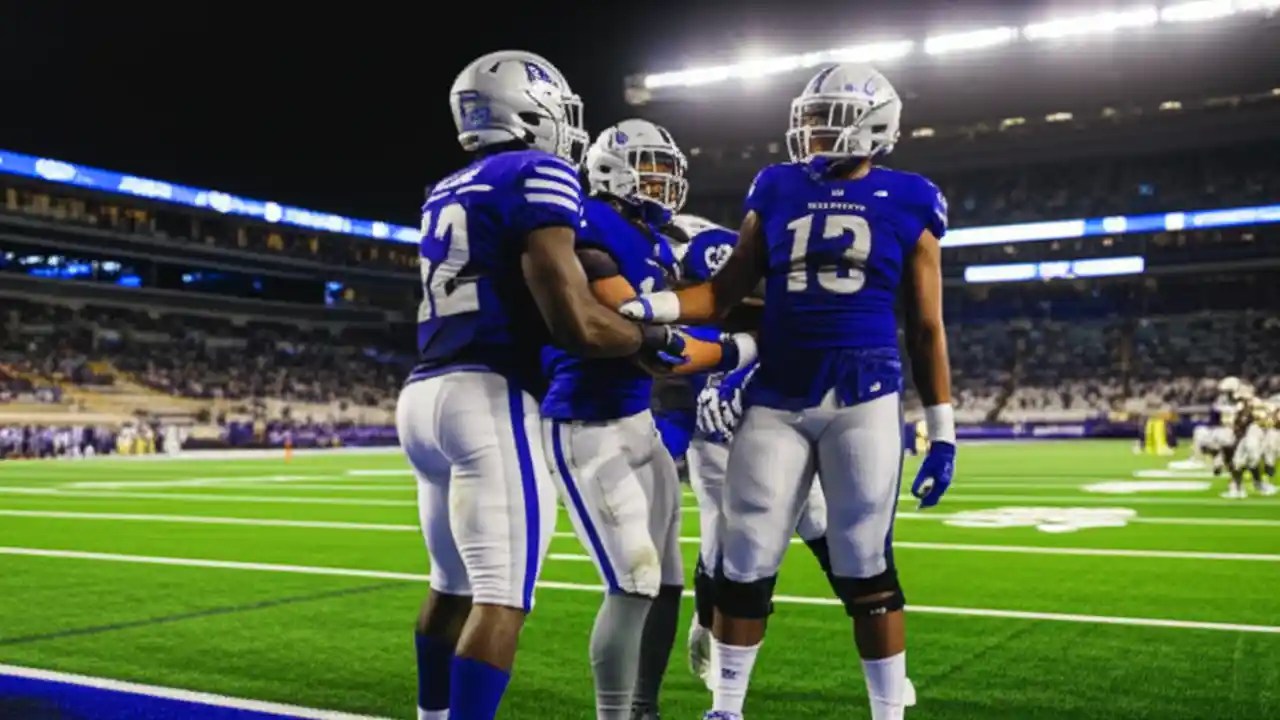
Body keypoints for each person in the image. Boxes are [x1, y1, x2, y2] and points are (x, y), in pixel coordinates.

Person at [619, 62, 957, 720]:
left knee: (863, 560)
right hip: (775, 393)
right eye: (807, 119)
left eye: (824, 121)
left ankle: (888, 711)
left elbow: (927, 326)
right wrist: (654, 305)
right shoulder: (774, 186)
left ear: (871, 127)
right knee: (745, 555)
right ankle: (726, 708)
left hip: (864, 391)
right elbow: (721, 295)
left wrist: (942, 432)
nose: (809, 133)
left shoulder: (913, 196)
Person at [395, 52, 686, 720]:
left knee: (451, 587)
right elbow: (577, 323)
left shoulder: (446, 187)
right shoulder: (538, 170)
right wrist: (649, 340)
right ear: (529, 108)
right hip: (487, 396)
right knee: (501, 599)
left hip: (422, 393)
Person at [540, 119, 752, 720]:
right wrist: (737, 350)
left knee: (665, 581)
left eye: (668, 170)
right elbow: (644, 338)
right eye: (652, 168)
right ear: (613, 168)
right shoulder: (590, 223)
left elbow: (670, 336)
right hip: (585, 421)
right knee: (633, 577)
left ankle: (643, 708)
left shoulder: (656, 243)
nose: (664, 182)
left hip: (637, 421)